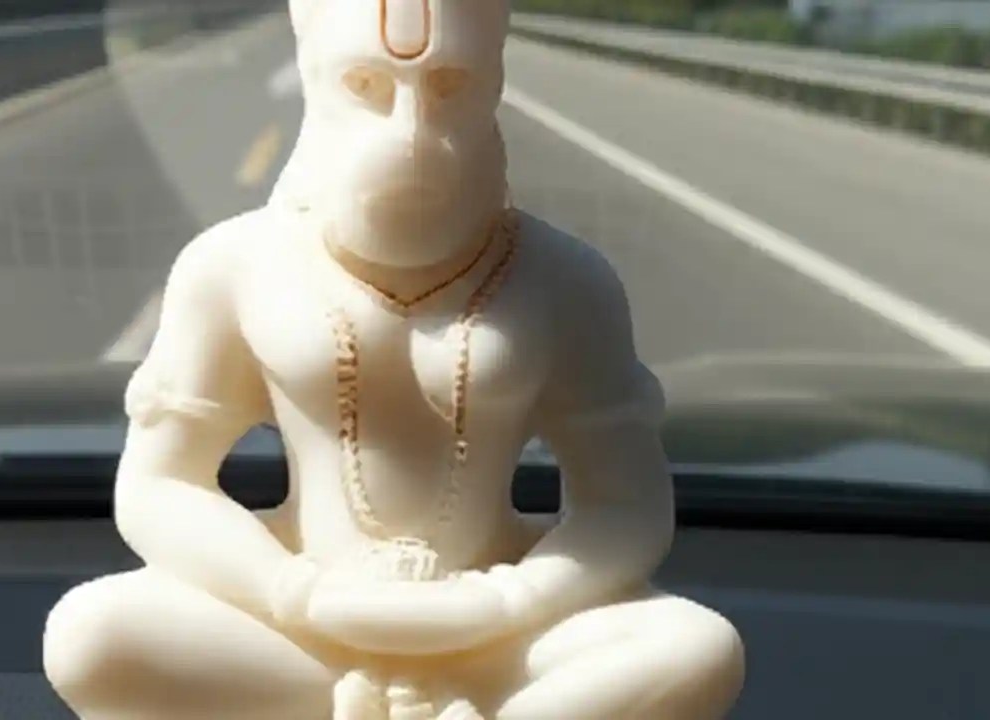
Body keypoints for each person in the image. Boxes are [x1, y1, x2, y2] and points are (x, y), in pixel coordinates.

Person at [43, 1, 745, 717]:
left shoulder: (566, 278)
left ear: (493, 82)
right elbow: (159, 487)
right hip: (301, 629)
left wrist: (504, 601)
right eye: (365, 84)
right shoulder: (235, 265)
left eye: (449, 86)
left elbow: (626, 506)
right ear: (314, 76)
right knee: (88, 636)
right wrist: (300, 593)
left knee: (696, 647)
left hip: (498, 634)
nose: (411, 130)